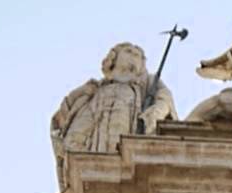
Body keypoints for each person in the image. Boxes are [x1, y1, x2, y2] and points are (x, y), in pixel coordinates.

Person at [51, 43, 176, 182]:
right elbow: (64, 113)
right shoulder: (96, 87)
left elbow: (165, 99)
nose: (135, 56)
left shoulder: (150, 83)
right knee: (72, 147)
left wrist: (154, 114)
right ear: (113, 58)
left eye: (139, 56)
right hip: (95, 115)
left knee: (120, 153)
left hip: (126, 120)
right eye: (129, 51)